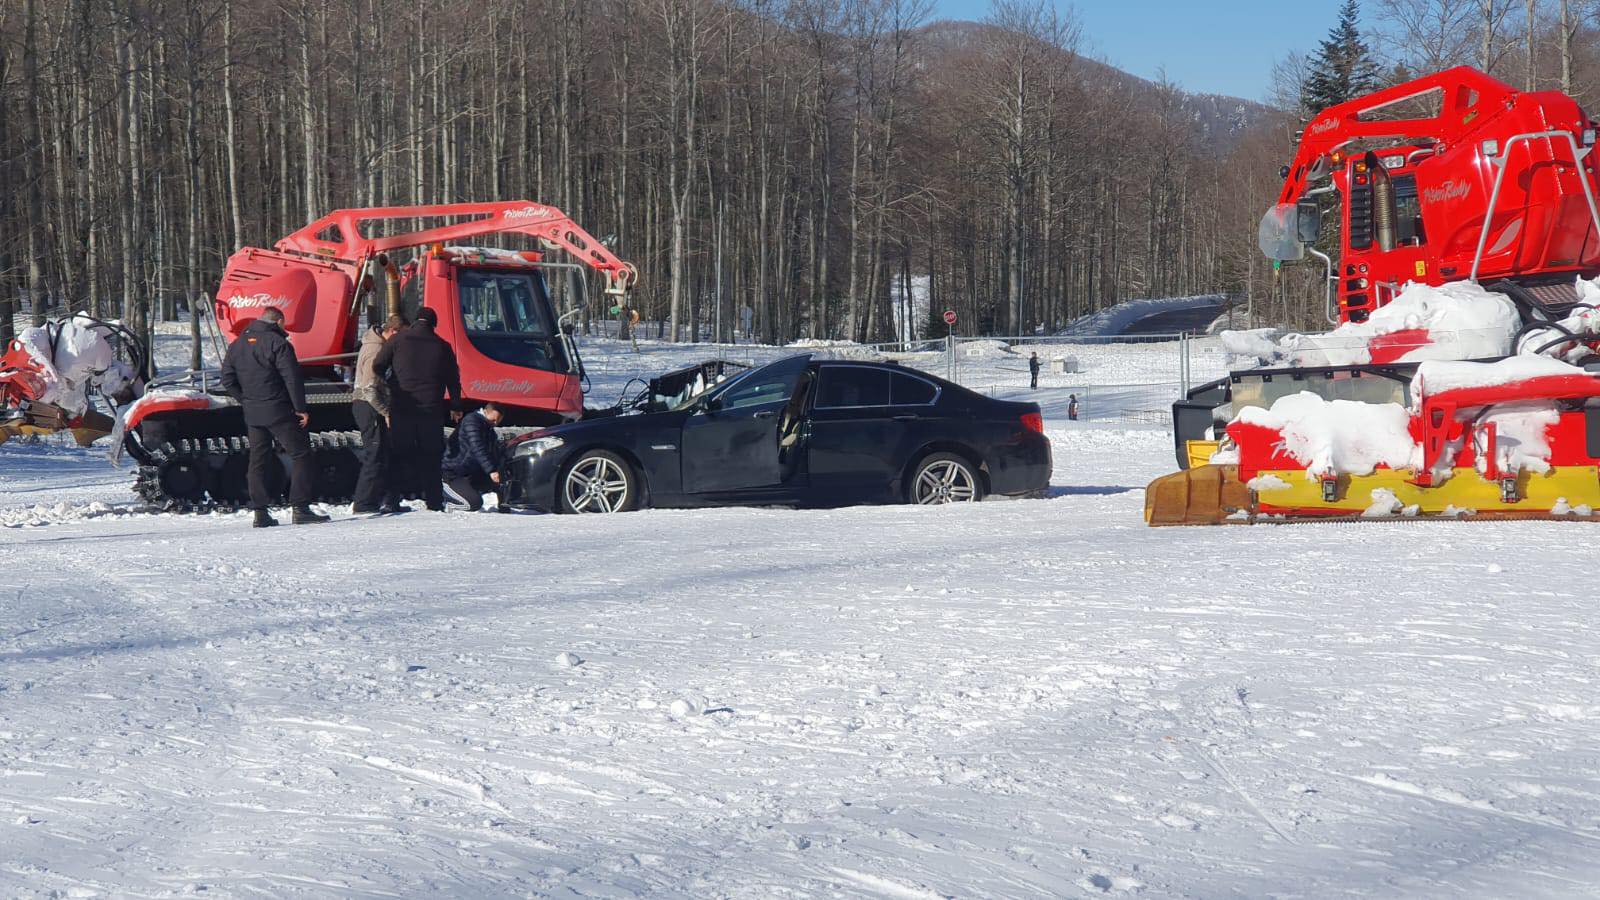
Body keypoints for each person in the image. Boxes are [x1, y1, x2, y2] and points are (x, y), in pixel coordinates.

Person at [219, 307, 330, 527]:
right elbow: (292, 378)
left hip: (253, 412)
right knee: (301, 454)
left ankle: (260, 512)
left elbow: (227, 380)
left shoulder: (237, 345)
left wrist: (245, 400)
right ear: (278, 321)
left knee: (258, 460)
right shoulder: (278, 344)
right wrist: (301, 408)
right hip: (278, 409)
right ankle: (300, 507)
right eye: (284, 323)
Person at [373, 307, 463, 511]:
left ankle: (392, 499)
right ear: (433, 324)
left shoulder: (398, 340)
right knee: (431, 456)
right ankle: (433, 500)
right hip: (431, 409)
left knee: (398, 454)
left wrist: (392, 382)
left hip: (402, 406)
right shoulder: (442, 346)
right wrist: (456, 406)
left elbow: (378, 365)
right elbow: (453, 380)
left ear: (415, 321)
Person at [351, 313, 408, 515]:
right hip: (369, 405)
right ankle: (363, 502)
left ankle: (379, 498)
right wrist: (386, 412)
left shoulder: (373, 343)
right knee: (374, 453)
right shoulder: (376, 349)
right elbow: (369, 388)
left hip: (369, 404)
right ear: (393, 331)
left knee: (382, 453)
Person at [442, 402, 509, 512]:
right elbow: (477, 447)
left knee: (502, 478)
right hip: (452, 473)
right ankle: (446, 504)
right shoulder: (472, 421)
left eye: (498, 420)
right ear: (486, 412)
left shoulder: (489, 428)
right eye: (493, 420)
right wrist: (491, 470)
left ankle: (504, 506)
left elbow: (492, 452)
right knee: (473, 504)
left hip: (471, 472)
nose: (495, 423)